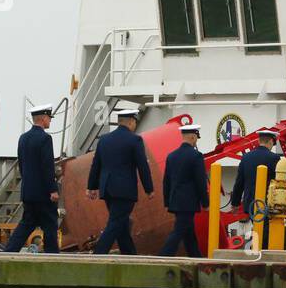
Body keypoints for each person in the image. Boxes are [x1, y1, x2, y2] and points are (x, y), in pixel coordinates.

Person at [87, 108, 154, 255]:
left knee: (121, 224)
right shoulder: (135, 140)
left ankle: (130, 255)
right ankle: (99, 254)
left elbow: (96, 164)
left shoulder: (104, 139)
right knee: (116, 223)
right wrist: (149, 189)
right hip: (124, 190)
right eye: (135, 122)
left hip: (107, 189)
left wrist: (91, 187)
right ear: (131, 121)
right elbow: (142, 166)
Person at [3, 105, 61, 253]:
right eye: (49, 118)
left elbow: (22, 165)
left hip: (28, 191)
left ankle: (10, 251)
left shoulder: (23, 138)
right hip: (43, 194)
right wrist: (53, 189)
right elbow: (47, 166)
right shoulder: (45, 138)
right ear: (43, 118)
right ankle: (52, 256)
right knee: (50, 225)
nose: (50, 121)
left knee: (27, 224)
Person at [159, 123, 208, 258]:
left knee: (188, 233)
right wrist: (205, 203)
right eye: (196, 137)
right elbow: (200, 182)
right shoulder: (196, 156)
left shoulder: (171, 156)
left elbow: (166, 181)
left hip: (175, 200)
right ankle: (164, 256)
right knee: (179, 230)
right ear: (193, 137)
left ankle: (196, 258)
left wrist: (167, 201)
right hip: (188, 202)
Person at [229, 128, 281, 247]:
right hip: (267, 203)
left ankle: (256, 250)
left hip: (251, 204)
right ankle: (259, 251)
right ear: (271, 142)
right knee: (267, 231)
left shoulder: (246, 157)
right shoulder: (274, 158)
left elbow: (239, 182)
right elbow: (281, 181)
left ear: (259, 141)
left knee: (258, 228)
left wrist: (235, 203)